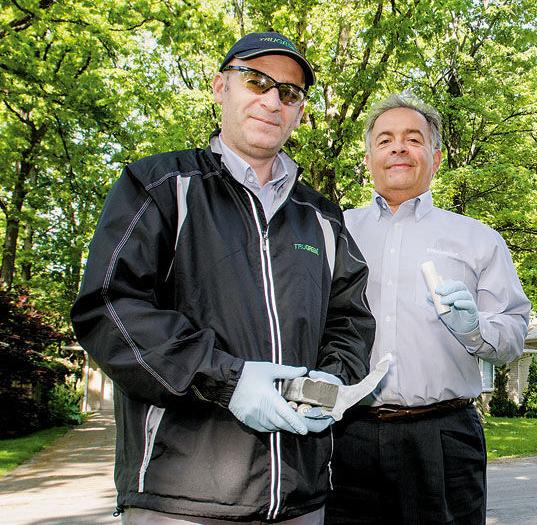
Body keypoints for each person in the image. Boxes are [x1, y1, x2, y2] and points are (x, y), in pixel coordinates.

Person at [71, 32, 375, 524]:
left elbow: (350, 319)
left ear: (299, 112)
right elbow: (109, 307)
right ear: (220, 87)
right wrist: (226, 380)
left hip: (300, 497)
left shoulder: (321, 216)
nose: (272, 101)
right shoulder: (161, 186)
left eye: (289, 93)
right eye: (256, 81)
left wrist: (333, 381)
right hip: (180, 498)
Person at [328, 94, 531, 524]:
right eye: (385, 140)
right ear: (368, 158)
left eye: (413, 138)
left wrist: (474, 329)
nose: (398, 148)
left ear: (435, 158)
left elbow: (513, 335)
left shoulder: (478, 239)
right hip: (346, 434)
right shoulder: (333, 230)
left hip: (443, 437)